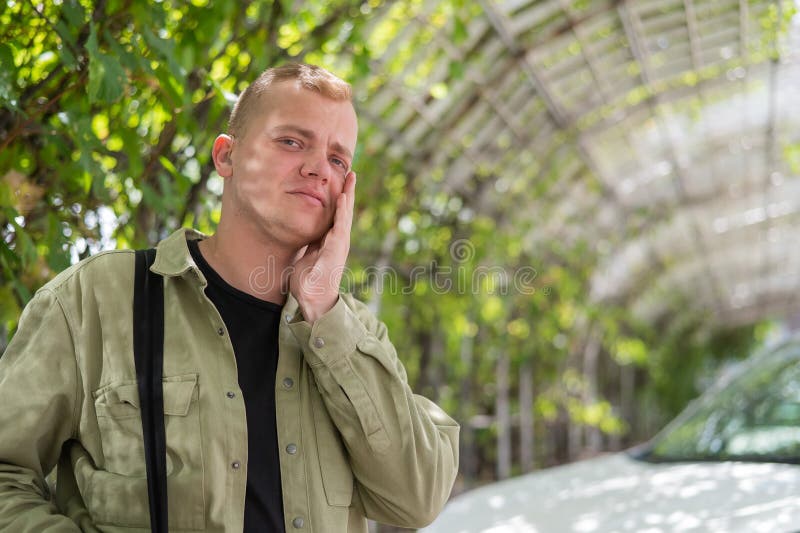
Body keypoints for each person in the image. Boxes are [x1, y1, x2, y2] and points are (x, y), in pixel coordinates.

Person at [0, 63, 459, 532]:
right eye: (292, 141)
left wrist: (323, 309)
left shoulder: (353, 333)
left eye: (338, 160)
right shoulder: (95, 300)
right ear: (226, 156)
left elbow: (418, 499)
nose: (318, 168)